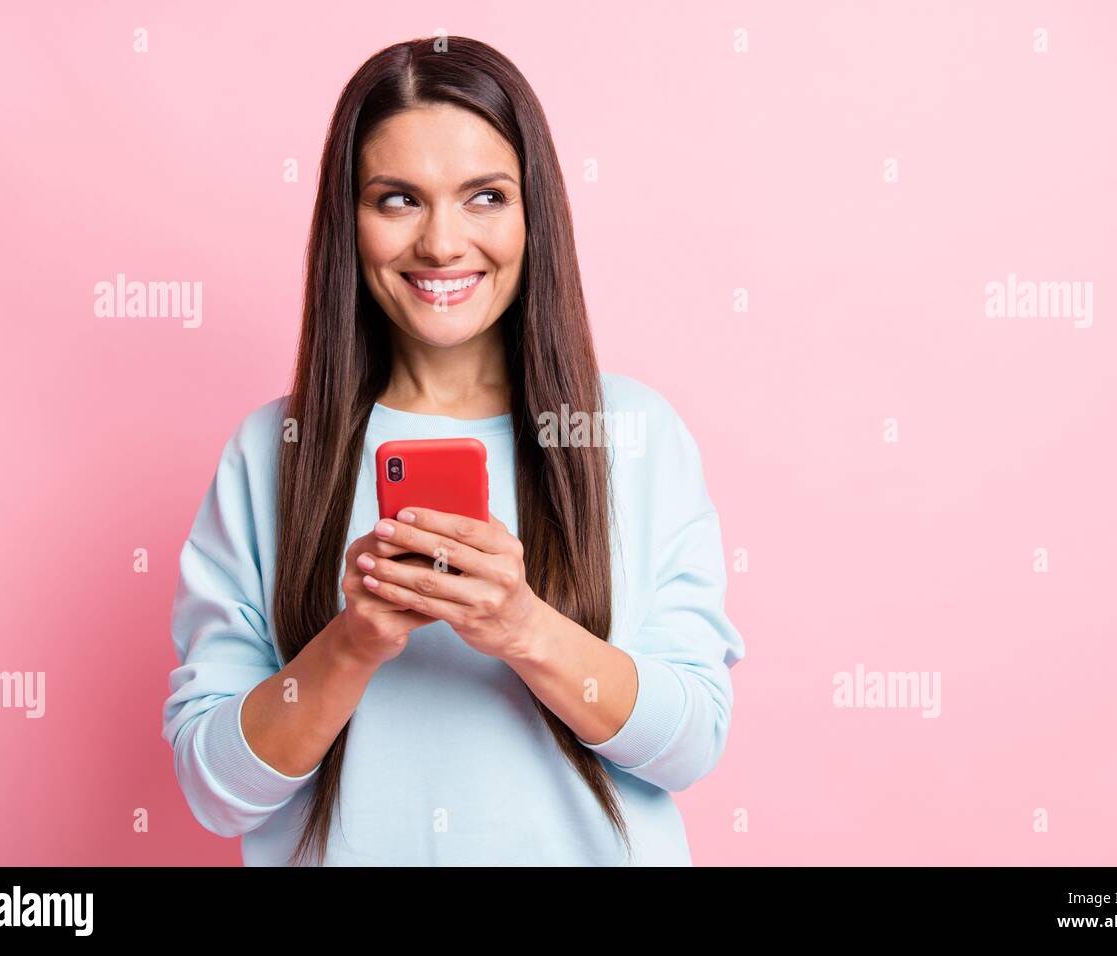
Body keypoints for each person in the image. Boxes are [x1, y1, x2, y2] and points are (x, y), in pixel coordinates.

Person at [161, 35, 745, 866]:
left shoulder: (631, 435)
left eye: (485, 196)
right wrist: (351, 642)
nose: (441, 244)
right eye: (398, 199)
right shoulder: (273, 453)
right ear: (347, 219)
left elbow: (691, 746)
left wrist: (521, 627)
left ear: (532, 211)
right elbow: (214, 790)